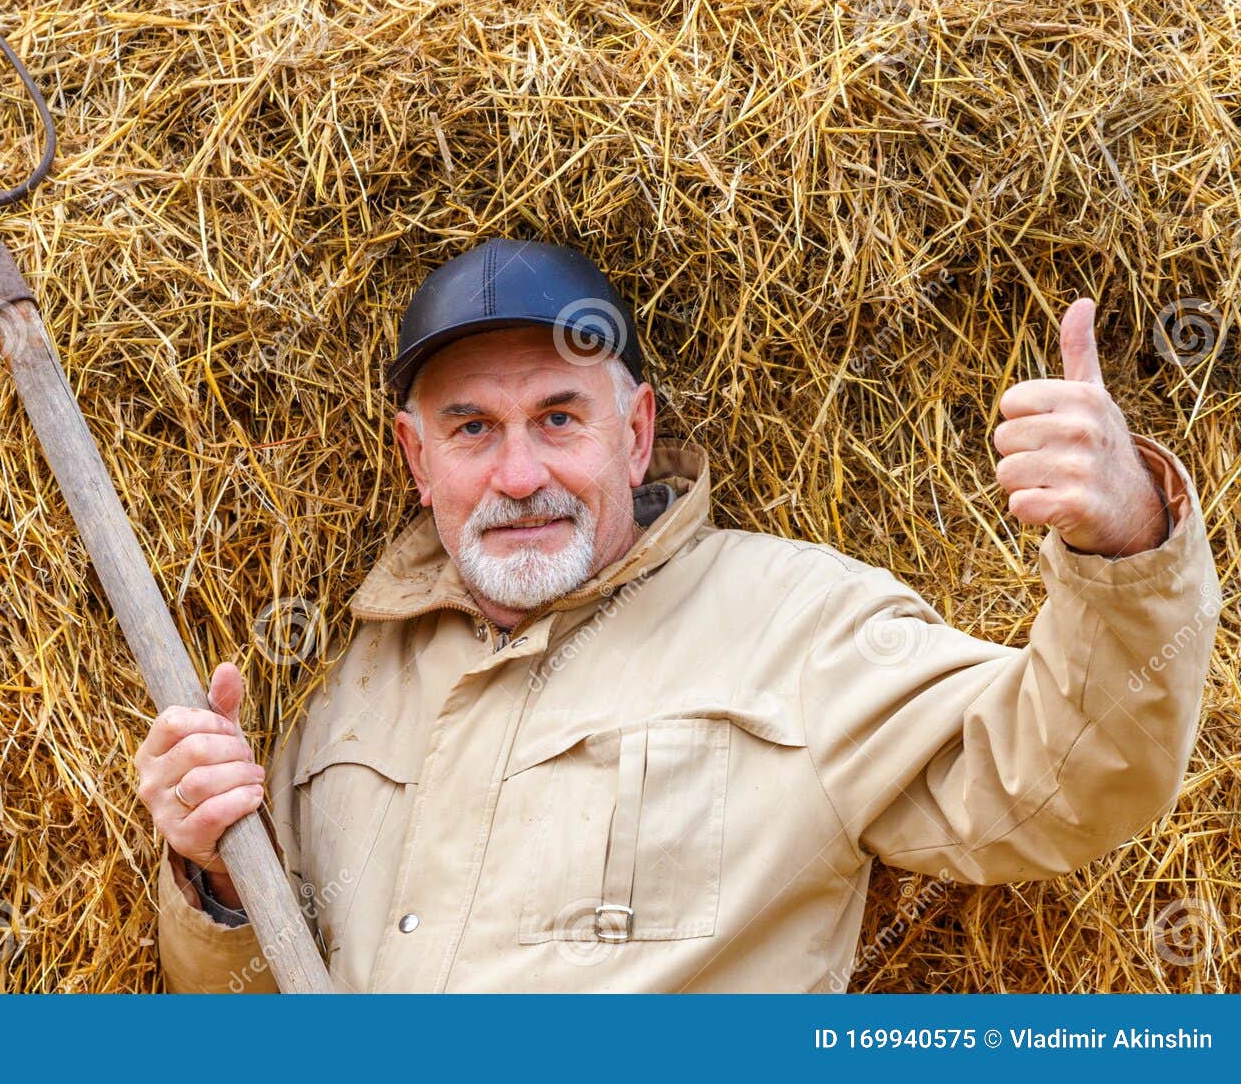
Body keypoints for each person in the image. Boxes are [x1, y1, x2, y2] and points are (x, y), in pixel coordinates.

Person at [135, 237, 1219, 992]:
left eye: (559, 417)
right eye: (470, 428)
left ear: (636, 433)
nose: (517, 473)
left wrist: (1118, 537)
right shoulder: (343, 692)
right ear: (418, 460)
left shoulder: (799, 626)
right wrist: (217, 877)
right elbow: (250, 1018)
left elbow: (1070, 783)